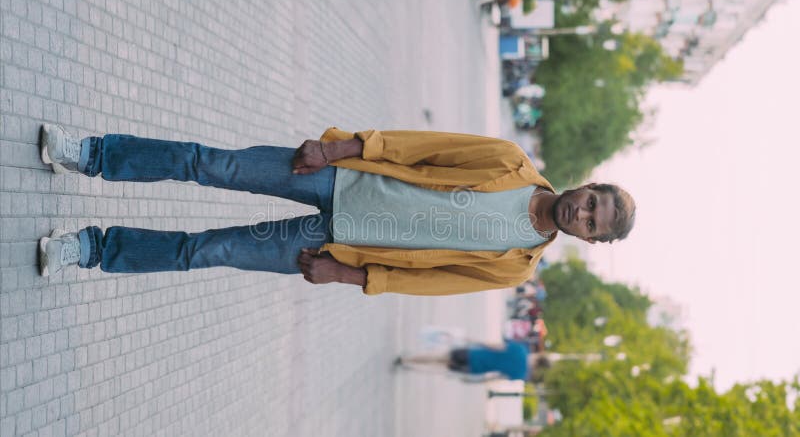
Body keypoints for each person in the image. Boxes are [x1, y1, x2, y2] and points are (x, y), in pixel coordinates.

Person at [37, 124, 636, 296]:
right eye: (593, 203)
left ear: (589, 240)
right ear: (588, 186)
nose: (582, 214)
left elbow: (424, 281)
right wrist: (337, 149)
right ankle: (90, 155)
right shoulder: (509, 161)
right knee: (211, 163)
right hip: (338, 178)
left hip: (331, 243)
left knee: (208, 250)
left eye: (593, 224)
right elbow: (421, 147)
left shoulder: (514, 267)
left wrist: (347, 275)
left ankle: (88, 249)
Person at [395, 339, 546, 382]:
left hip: (474, 354)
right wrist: (478, 381)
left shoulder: (520, 350)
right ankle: (410, 367)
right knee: (441, 368)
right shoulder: (520, 374)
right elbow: (496, 377)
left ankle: (407, 359)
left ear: (539, 357)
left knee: (440, 357)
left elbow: (495, 346)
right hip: (475, 369)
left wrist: (476, 341)